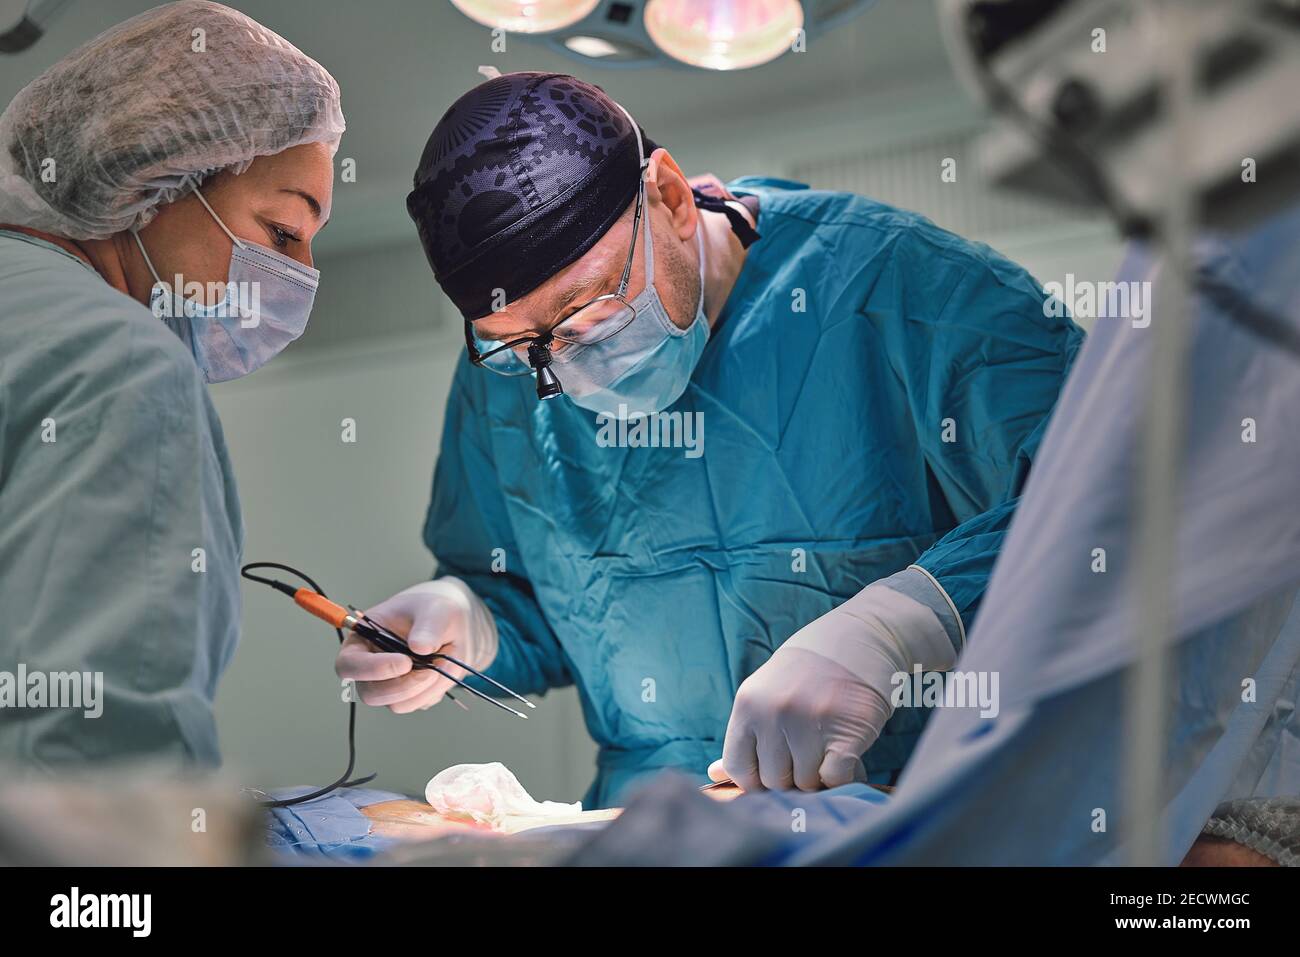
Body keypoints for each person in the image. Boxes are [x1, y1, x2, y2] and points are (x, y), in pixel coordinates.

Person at [336, 71, 1082, 808]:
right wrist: (477, 618)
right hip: (660, 827)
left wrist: (906, 626)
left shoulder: (896, 285)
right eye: (525, 343)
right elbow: (557, 601)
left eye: (590, 314)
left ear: (667, 198)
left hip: (915, 818)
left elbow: (1119, 487)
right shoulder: (507, 375)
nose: (561, 363)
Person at [0, 1, 344, 769]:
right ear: (157, 172)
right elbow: (91, 758)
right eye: (283, 231)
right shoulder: (117, 363)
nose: (301, 277)